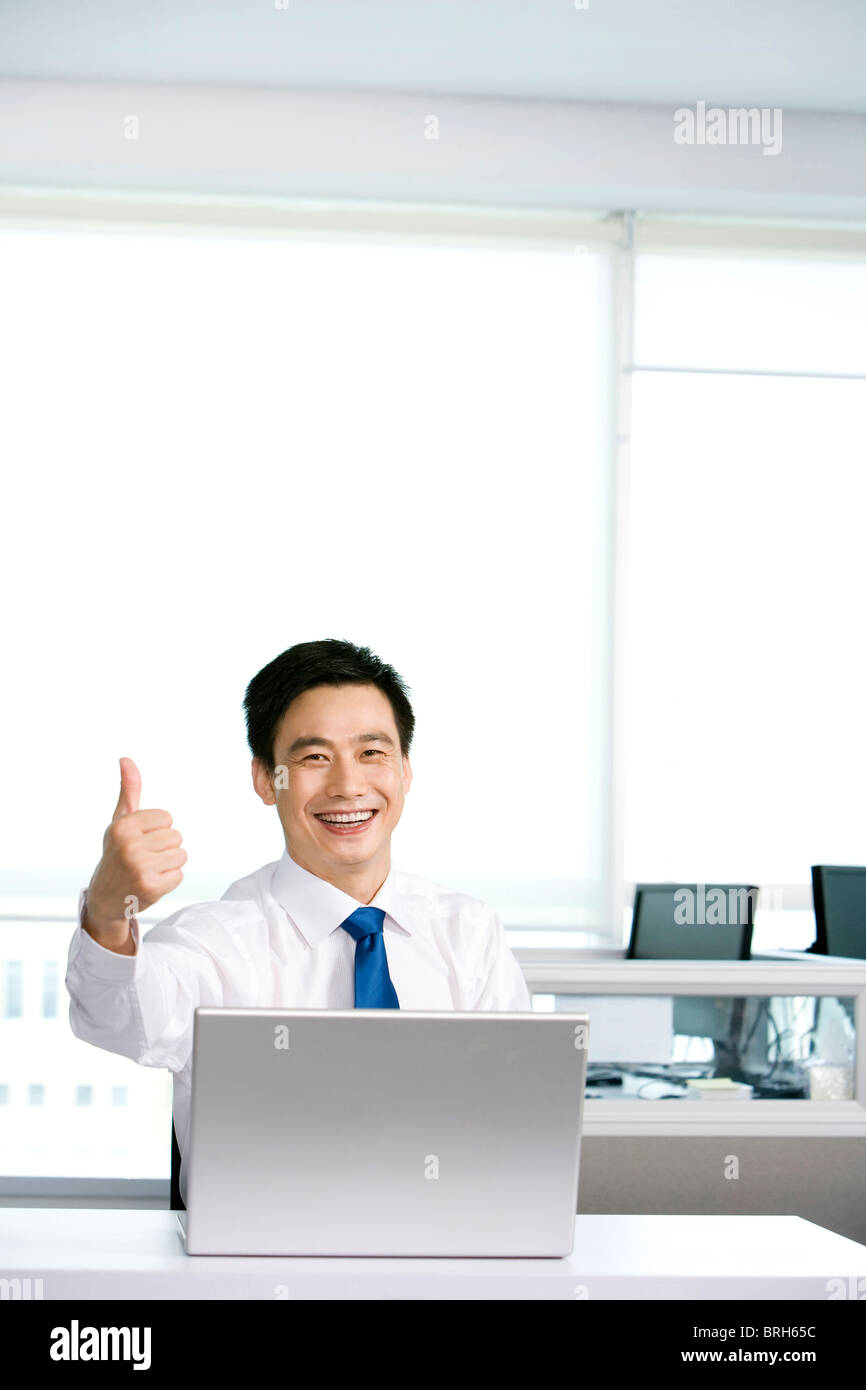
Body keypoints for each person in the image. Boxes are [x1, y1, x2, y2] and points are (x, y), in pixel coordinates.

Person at [66, 639, 531, 1204]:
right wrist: (111, 911)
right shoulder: (214, 944)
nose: (347, 786)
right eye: (313, 757)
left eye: (372, 753)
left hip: (445, 1259)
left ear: (406, 770)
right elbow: (118, 1016)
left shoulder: (470, 935)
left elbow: (516, 1123)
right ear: (265, 778)